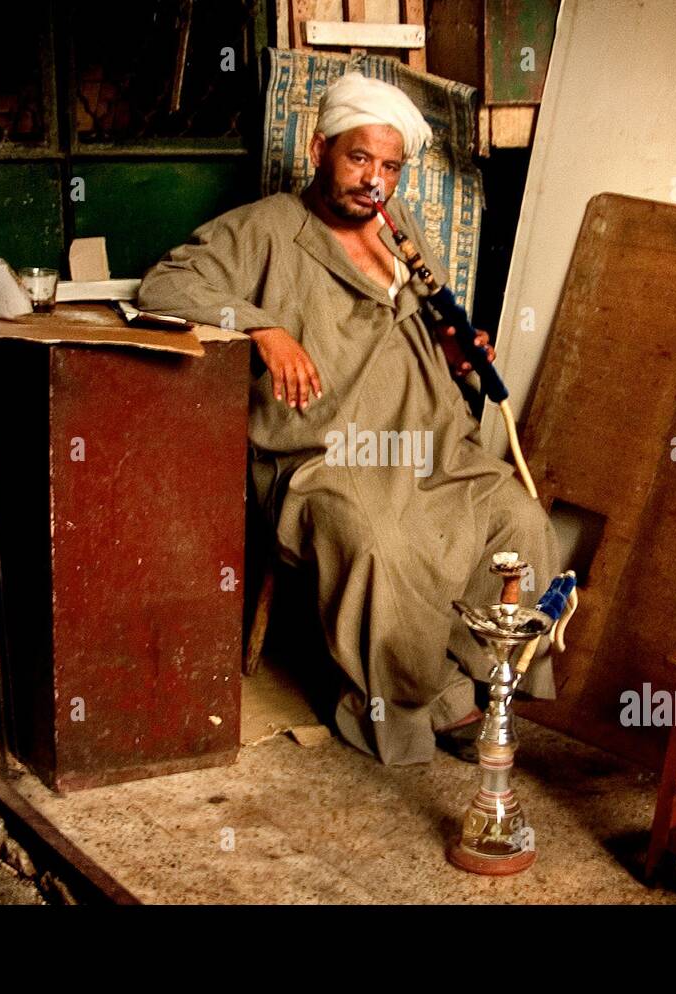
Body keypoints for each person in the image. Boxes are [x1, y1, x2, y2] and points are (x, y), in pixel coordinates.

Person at [138, 73, 560, 765]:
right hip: (327, 454)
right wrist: (262, 330)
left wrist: (455, 346)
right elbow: (166, 283)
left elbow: (416, 324)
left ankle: (483, 685)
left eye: (389, 167)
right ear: (319, 148)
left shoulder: (401, 230)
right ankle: (402, 705)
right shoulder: (267, 227)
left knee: (520, 523)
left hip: (428, 440)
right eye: (359, 158)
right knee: (381, 547)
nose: (374, 180)